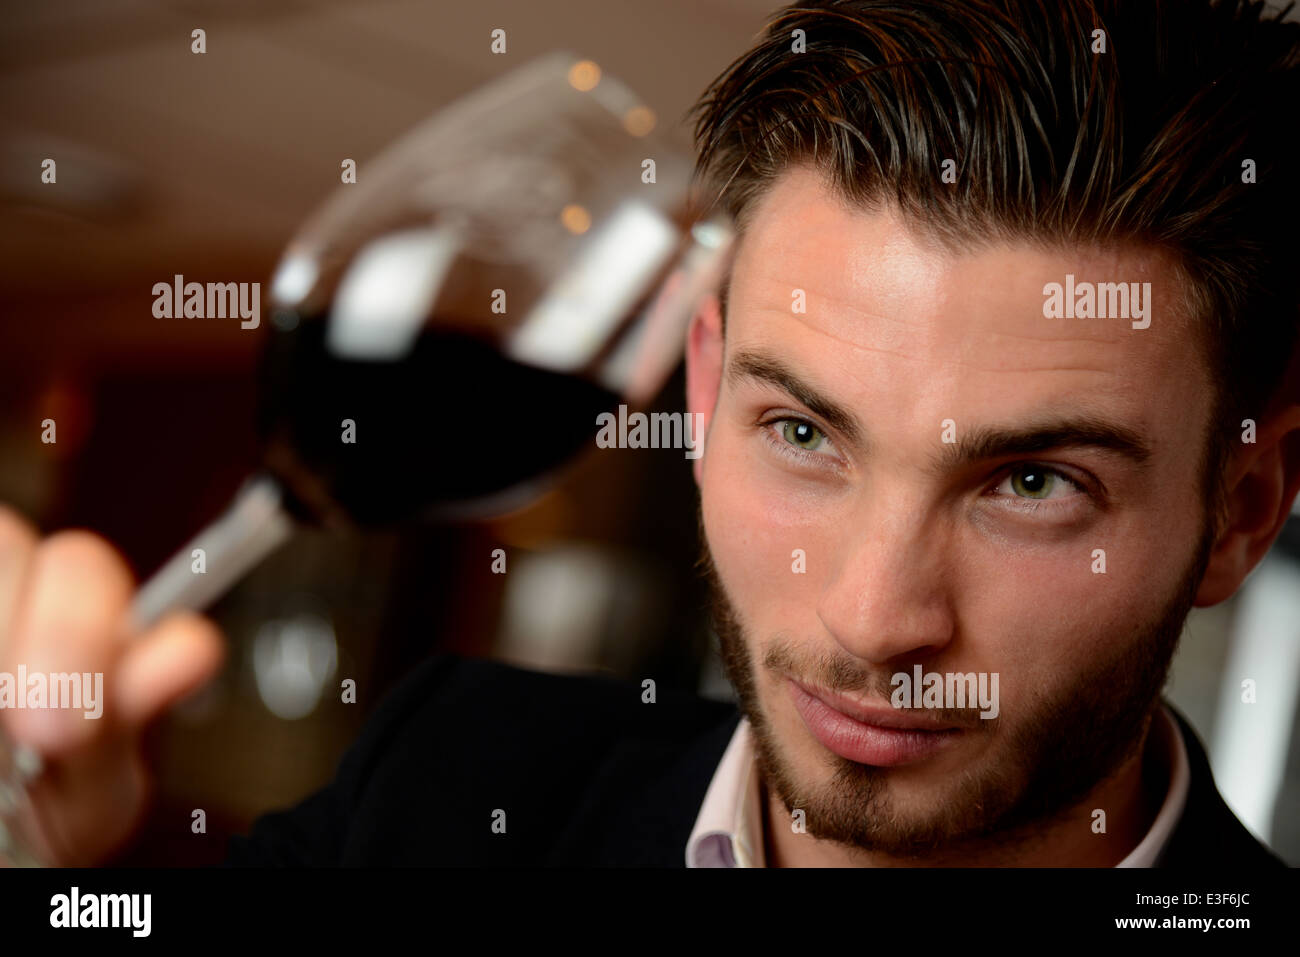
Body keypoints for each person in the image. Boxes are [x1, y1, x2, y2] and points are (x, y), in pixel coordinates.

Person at [2, 0, 1298, 867]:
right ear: (704, 383)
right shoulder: (453, 785)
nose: (869, 614)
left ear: (1240, 509)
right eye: (801, 430)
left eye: (1031, 478)